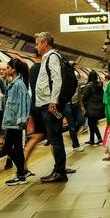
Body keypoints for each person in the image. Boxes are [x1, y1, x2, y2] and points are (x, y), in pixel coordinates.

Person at [33, 32, 70, 182]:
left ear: (45, 44)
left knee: (55, 138)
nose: (36, 46)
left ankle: (60, 172)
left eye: (37, 43)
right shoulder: (47, 58)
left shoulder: (52, 57)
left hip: (50, 104)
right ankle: (58, 169)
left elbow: (57, 79)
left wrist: (53, 101)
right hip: (47, 103)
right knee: (54, 138)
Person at [0, 58, 33, 185]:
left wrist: (21, 119)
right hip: (11, 121)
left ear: (13, 70)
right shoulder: (12, 84)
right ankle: (22, 171)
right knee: (13, 147)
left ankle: (21, 174)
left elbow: (25, 102)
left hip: (15, 122)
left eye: (7, 68)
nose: (5, 70)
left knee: (10, 147)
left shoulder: (19, 85)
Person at [81, 71, 105, 146]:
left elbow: (84, 97)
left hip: (91, 108)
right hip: (99, 107)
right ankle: (91, 139)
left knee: (92, 124)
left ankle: (99, 138)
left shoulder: (88, 86)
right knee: (91, 123)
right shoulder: (99, 85)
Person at [65, 73, 85, 151]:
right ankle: (76, 145)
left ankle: (73, 134)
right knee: (71, 126)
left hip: (76, 104)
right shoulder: (64, 84)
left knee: (81, 120)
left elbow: (79, 95)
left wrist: (82, 106)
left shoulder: (77, 84)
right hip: (67, 106)